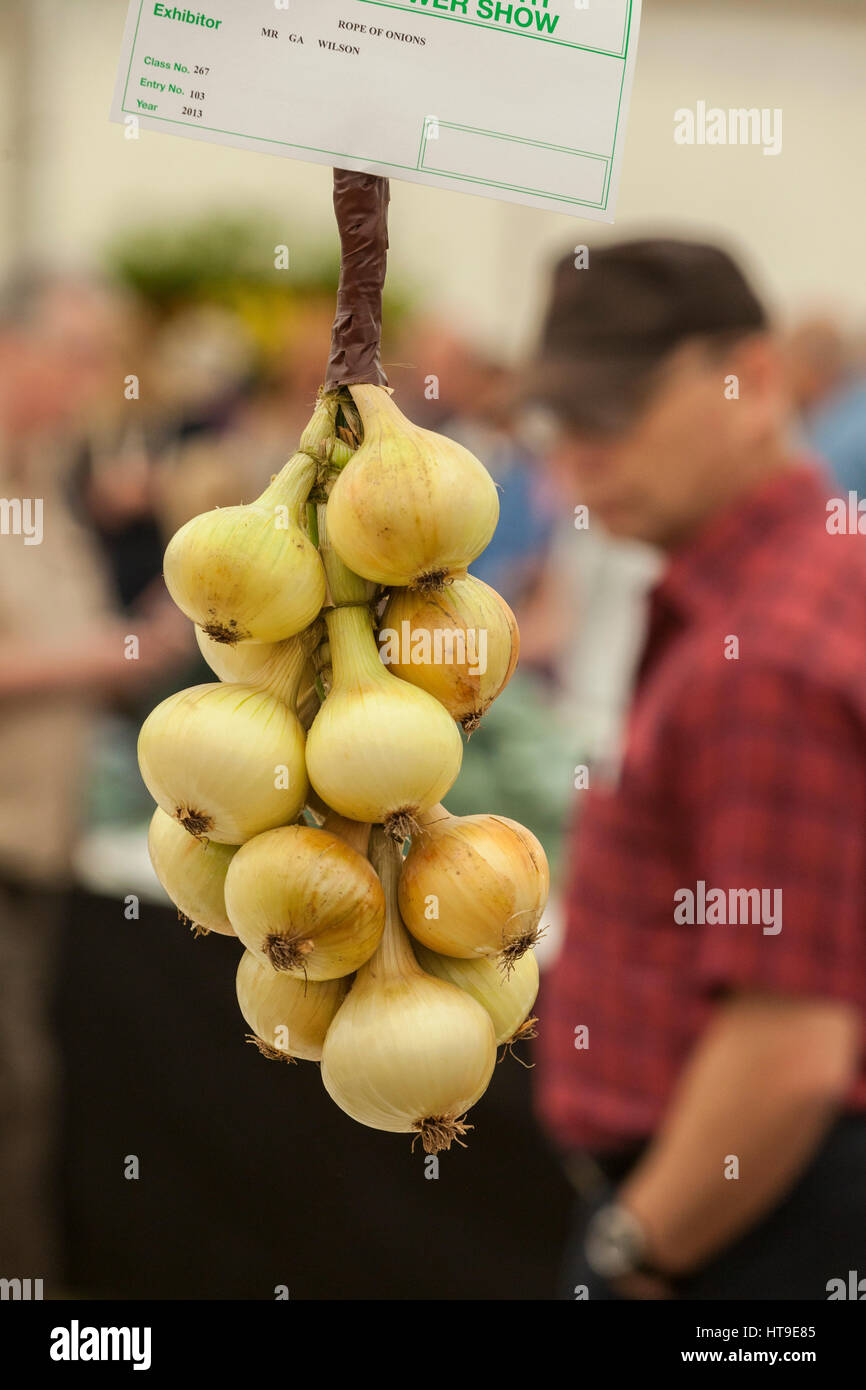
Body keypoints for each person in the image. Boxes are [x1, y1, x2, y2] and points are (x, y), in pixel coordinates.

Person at [528, 240, 866, 1300]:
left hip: (748, 1221)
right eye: (562, 416)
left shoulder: (761, 650)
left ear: (753, 380)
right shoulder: (806, 569)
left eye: (615, 410)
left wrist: (635, 1251)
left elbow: (789, 1042)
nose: (578, 452)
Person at [0, 274, 191, 1290]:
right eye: (74, 353)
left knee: (26, 1099)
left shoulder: (41, 481)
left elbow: (84, 636)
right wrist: (105, 656)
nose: (89, 381)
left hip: (37, 840)